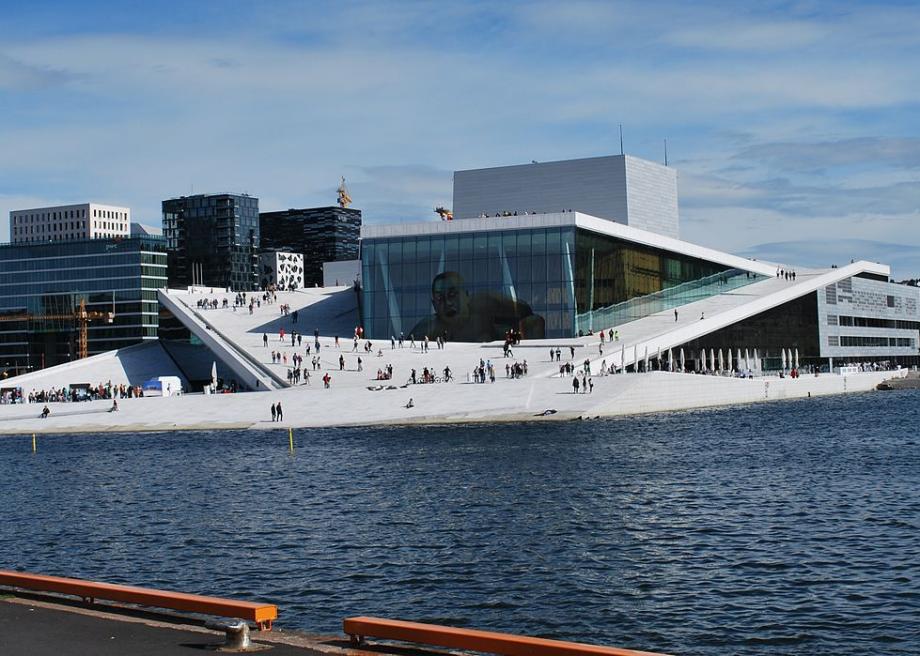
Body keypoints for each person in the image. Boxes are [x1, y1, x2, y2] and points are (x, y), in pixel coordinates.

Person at [410, 271, 545, 341]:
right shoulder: (429, 327)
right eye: (440, 298)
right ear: (434, 305)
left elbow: (524, 309)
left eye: (452, 295)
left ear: (466, 295)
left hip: (503, 342)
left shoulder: (484, 303)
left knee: (534, 322)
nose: (447, 303)